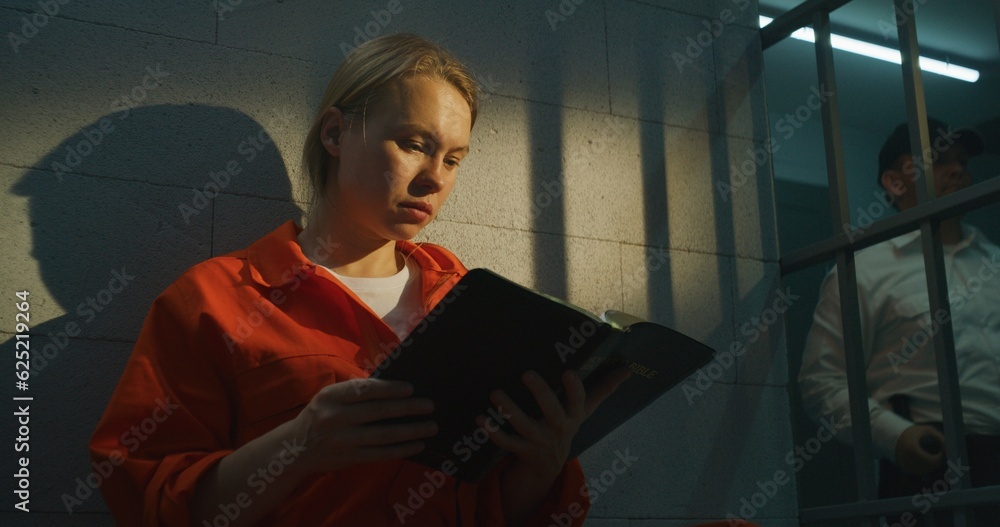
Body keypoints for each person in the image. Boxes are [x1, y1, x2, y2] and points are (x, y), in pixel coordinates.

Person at [89, 33, 626, 526]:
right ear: (335, 132)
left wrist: (544, 465)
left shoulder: (477, 302)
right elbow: (149, 503)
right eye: (414, 144)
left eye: (454, 158)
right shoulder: (214, 300)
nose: (435, 178)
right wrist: (297, 447)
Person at [798, 118, 1000, 526]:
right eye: (937, 160)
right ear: (894, 182)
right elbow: (822, 380)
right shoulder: (864, 270)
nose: (958, 169)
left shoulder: (994, 261)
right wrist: (894, 434)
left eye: (961, 160)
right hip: (929, 459)